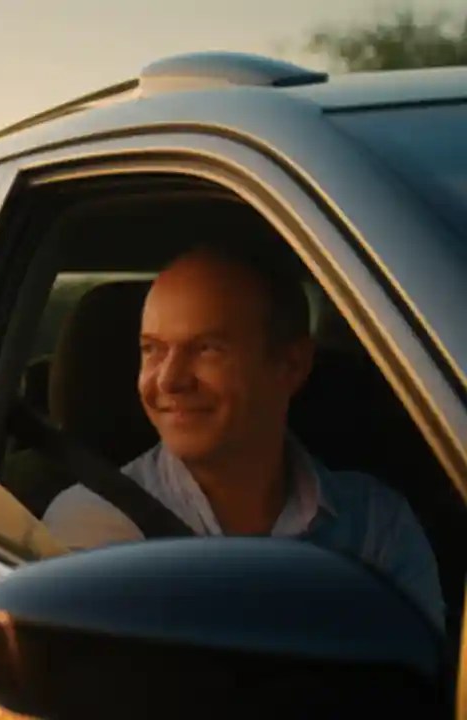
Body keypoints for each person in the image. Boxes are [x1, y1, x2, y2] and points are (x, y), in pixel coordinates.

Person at [41, 243, 445, 631]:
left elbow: (420, 694)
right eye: (153, 350)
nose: (168, 379)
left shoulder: (375, 525)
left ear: (291, 365)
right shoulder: (94, 524)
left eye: (207, 349)